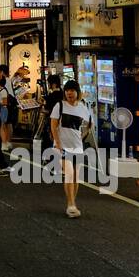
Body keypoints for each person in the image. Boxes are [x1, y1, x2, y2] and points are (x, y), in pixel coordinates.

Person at [49, 80, 94, 217]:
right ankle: (71, 205)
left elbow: (89, 125)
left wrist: (82, 136)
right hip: (62, 146)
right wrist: (57, 143)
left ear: (77, 92)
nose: (69, 93)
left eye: (72, 90)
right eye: (67, 90)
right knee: (69, 173)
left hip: (78, 147)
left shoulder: (83, 108)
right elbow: (53, 125)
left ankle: (72, 202)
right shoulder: (59, 106)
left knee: (76, 177)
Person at [42, 74, 64, 152]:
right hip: (62, 121)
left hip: (52, 121)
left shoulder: (52, 96)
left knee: (50, 138)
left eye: (49, 84)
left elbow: (47, 110)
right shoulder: (63, 93)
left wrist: (42, 109)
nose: (48, 86)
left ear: (53, 84)